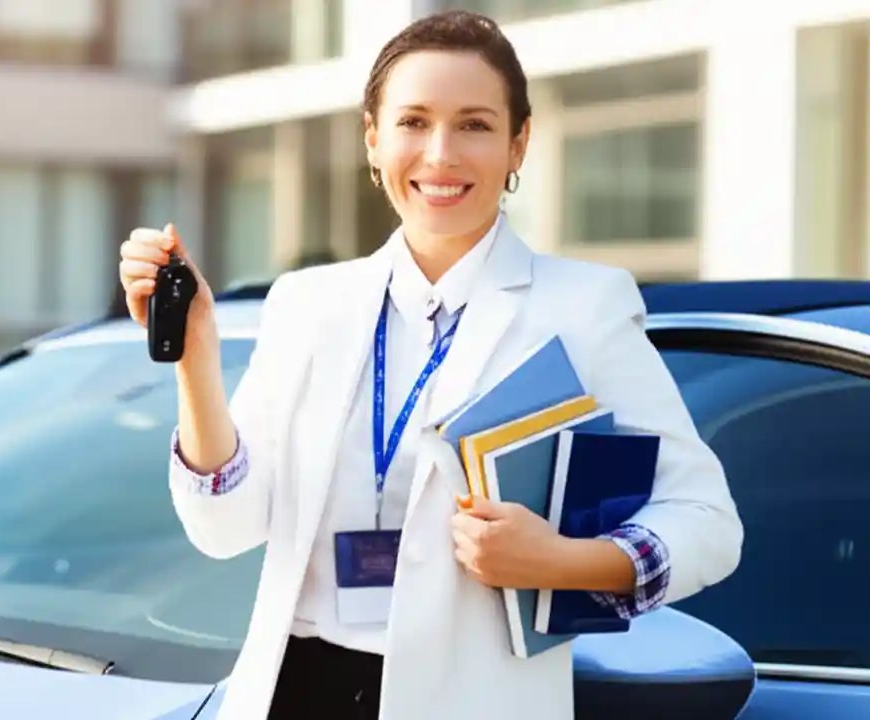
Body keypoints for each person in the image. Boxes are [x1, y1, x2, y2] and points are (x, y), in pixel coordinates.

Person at [117, 10, 742, 720]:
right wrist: (195, 358)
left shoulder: (584, 308)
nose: (440, 154)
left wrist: (561, 562)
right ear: (373, 140)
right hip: (293, 690)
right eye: (413, 122)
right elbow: (224, 529)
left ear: (519, 144)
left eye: (474, 124)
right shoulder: (307, 303)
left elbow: (709, 523)